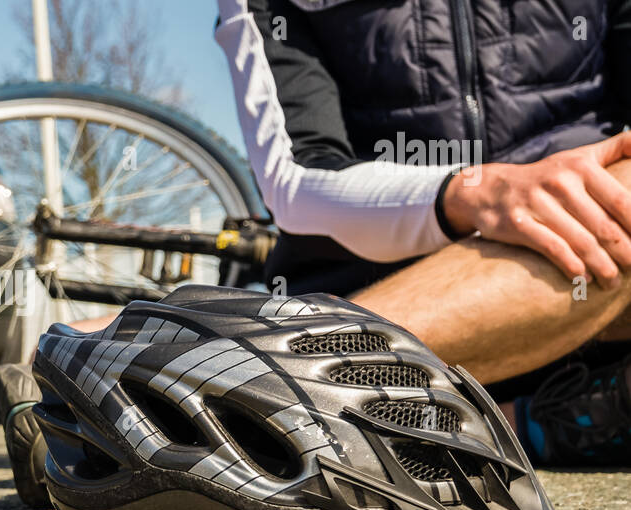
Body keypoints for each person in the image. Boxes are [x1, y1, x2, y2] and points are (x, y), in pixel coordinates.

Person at [40, 0, 631, 465]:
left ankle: (222, 391)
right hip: (365, 276)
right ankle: (269, 384)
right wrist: (471, 192)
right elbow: (297, 178)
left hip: (588, 270)